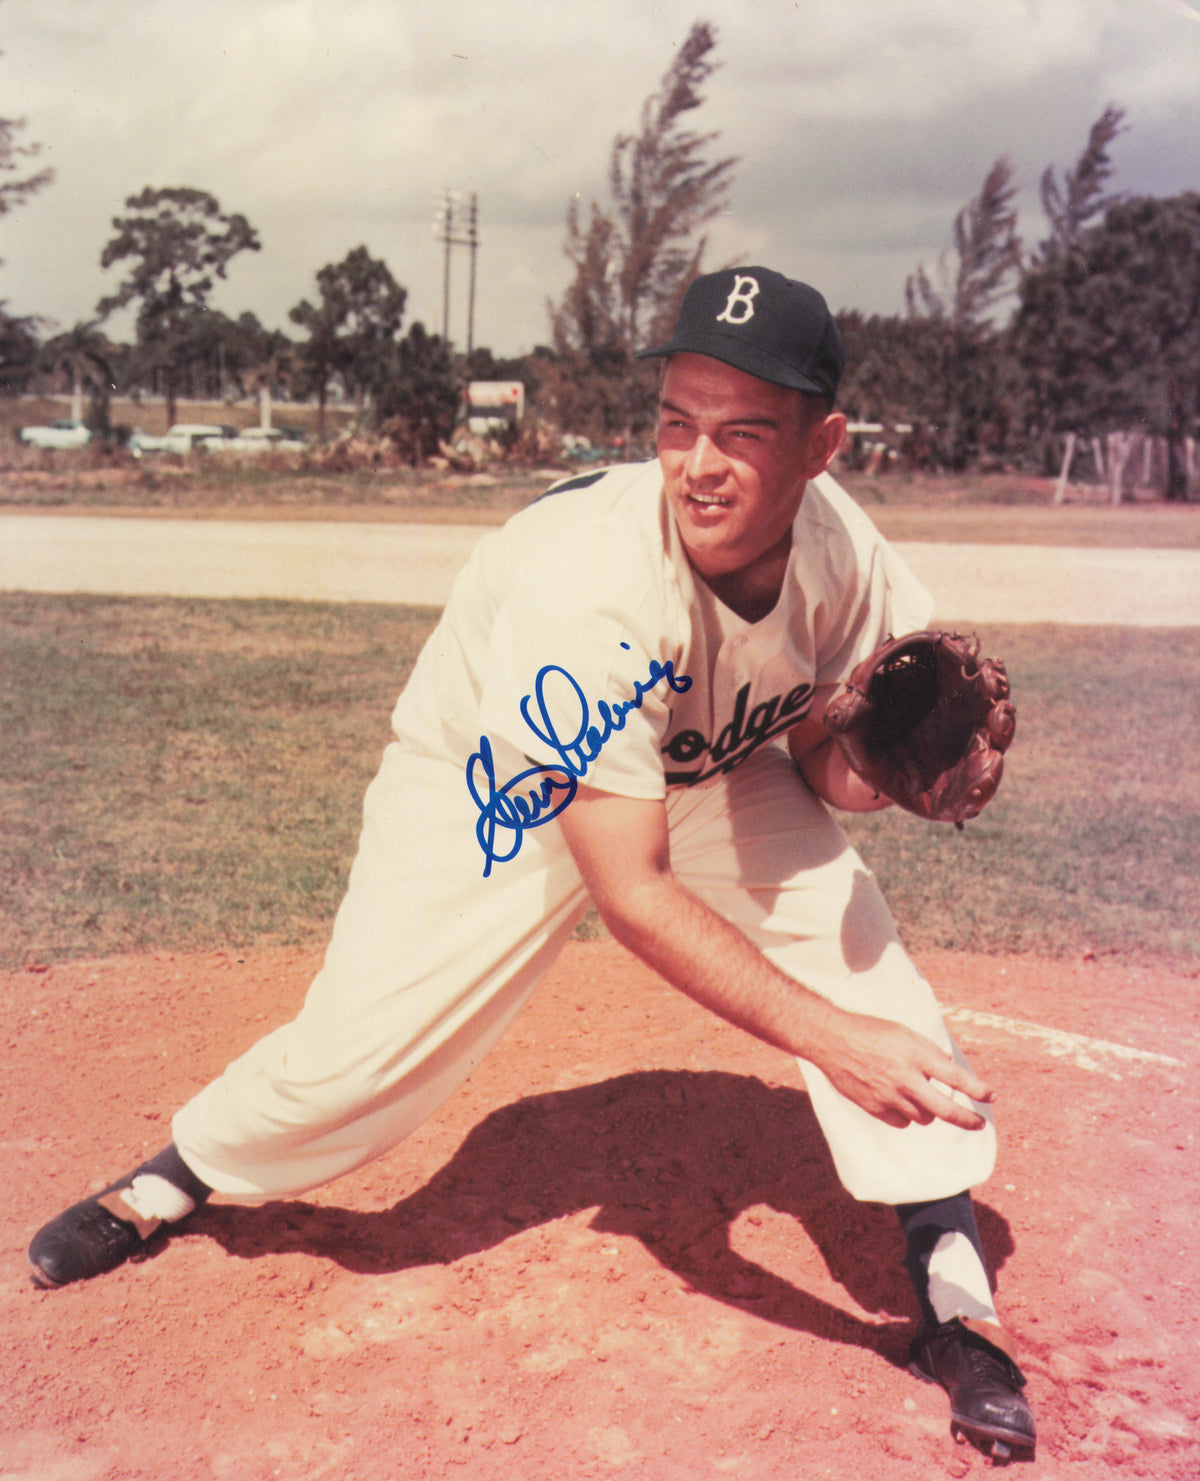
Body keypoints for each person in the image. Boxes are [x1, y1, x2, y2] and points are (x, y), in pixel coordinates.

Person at [28, 267, 1034, 1460]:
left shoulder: (845, 551)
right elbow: (633, 894)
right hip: (491, 787)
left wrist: (873, 772)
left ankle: (951, 1281)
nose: (699, 463)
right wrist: (826, 1041)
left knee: (858, 953)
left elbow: (821, 757)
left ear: (823, 444)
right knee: (359, 1055)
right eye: (677, 423)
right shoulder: (591, 585)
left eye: (743, 433)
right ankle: (173, 1175)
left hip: (697, 767)